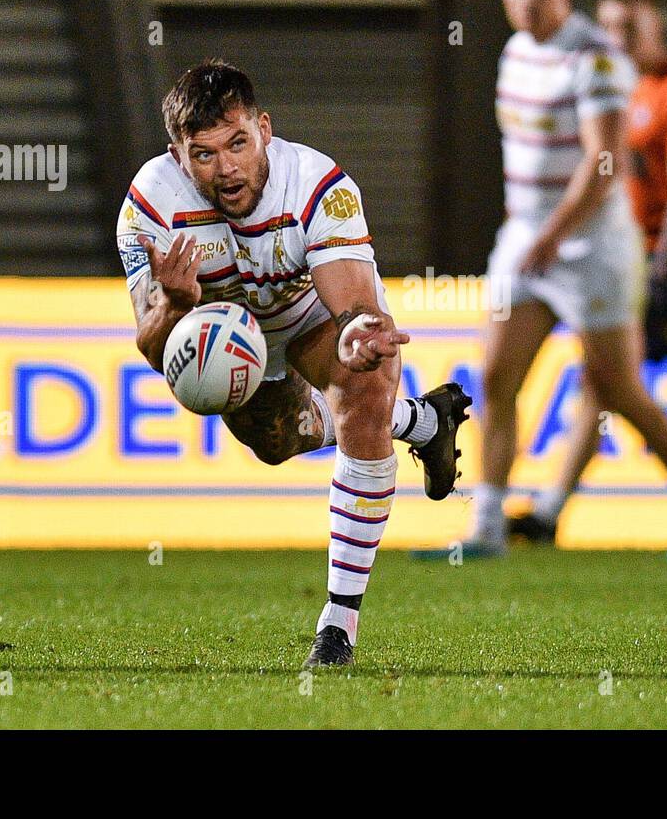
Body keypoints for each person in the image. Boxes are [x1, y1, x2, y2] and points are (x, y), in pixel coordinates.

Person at [117, 59, 471, 667]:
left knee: (362, 386)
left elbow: (352, 302)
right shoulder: (148, 207)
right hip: (236, 341)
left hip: (314, 320)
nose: (226, 168)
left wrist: (361, 331)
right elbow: (154, 349)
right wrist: (172, 306)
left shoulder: (315, 184)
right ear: (178, 157)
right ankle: (422, 421)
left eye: (238, 144)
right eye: (203, 154)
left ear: (264, 129)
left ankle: (337, 627)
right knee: (278, 442)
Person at [436, 0, 667, 559]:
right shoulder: (515, 51)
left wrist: (552, 233)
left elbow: (605, 161)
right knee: (494, 377)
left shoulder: (592, 57)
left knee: (619, 389)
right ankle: (487, 526)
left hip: (591, 245)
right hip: (529, 238)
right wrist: (531, 232)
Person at [510, 0, 667, 559]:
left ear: (656, 28)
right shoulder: (604, 88)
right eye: (611, 26)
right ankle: (550, 512)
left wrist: (663, 270)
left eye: (632, 25)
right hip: (621, 255)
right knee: (602, 381)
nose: (621, 37)